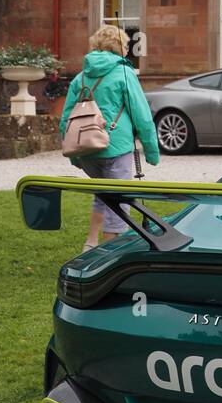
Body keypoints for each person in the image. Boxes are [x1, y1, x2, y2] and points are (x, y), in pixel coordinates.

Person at [59, 24, 161, 249]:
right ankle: (109, 253)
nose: (127, 49)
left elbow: (66, 117)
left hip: (86, 149)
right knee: (119, 199)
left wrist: (74, 156)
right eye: (125, 45)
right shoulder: (124, 73)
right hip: (116, 146)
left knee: (103, 194)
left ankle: (91, 242)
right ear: (119, 47)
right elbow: (142, 115)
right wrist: (152, 151)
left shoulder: (81, 77)